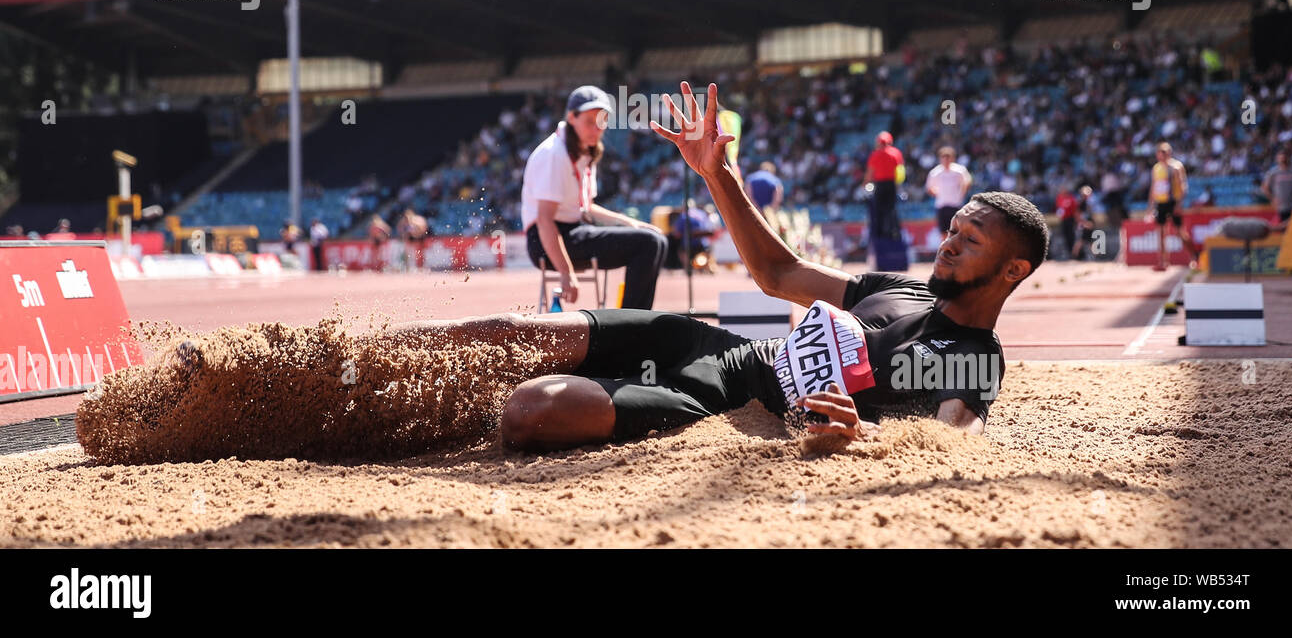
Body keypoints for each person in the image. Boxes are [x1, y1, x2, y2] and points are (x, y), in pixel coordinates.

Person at [362, 82, 1050, 452]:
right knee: (511, 329)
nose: (948, 243)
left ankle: (426, 419)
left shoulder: (972, 356)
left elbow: (958, 435)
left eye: (971, 240)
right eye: (952, 230)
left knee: (529, 412)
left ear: (1013, 269)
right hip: (715, 350)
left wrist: (866, 436)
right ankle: (339, 359)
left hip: (725, 404)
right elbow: (779, 276)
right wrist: (717, 173)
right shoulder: (901, 286)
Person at [522, 85, 668, 310]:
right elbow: (544, 220)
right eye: (590, 121)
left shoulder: (585, 152)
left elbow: (586, 207)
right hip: (546, 241)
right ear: (572, 117)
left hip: (572, 231)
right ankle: (631, 325)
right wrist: (566, 272)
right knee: (648, 244)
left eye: (602, 121)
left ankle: (637, 320)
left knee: (655, 239)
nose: (597, 128)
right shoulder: (554, 154)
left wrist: (631, 223)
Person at [1145, 142, 1196, 270]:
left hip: (1173, 202)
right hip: (1161, 203)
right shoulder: (1156, 168)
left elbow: (1183, 186)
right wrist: (1150, 205)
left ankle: (1194, 257)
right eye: (1160, 153)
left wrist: (1179, 204)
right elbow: (1154, 187)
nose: (1161, 155)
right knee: (1161, 232)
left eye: (1164, 153)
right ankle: (1163, 261)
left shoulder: (1176, 167)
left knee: (1179, 232)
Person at [864, 131, 904, 244]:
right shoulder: (896, 153)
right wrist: (898, 185)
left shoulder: (875, 154)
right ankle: (895, 233)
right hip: (891, 184)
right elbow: (900, 171)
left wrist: (865, 183)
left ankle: (881, 234)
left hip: (880, 185)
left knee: (880, 210)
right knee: (891, 209)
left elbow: (870, 172)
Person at [925, 146, 972, 236]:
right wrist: (938, 193)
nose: (946, 160)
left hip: (955, 204)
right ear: (940, 158)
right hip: (942, 205)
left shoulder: (959, 170)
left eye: (948, 157)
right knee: (943, 232)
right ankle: (946, 250)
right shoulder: (935, 173)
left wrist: (962, 193)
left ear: (953, 158)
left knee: (957, 231)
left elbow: (967, 181)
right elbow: (929, 188)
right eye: (944, 157)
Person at [672, 199, 718, 273]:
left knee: (681, 251)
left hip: (688, 244)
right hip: (703, 243)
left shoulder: (683, 216)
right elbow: (708, 229)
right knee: (708, 249)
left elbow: (677, 234)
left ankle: (687, 267)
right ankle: (707, 266)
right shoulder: (701, 214)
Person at [1262, 151, 1292, 224]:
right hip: (1281, 207)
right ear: (1277, 159)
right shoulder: (1273, 173)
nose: (1283, 160)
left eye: (1284, 158)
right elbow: (1265, 187)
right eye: (1281, 158)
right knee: (1284, 228)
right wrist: (1272, 198)